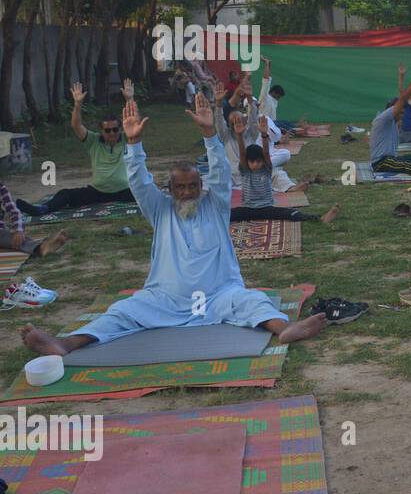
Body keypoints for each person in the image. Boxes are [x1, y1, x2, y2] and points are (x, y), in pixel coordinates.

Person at [19, 95, 327, 357]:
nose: (187, 192)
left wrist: (209, 134)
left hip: (218, 295)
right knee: (122, 311)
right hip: (164, 299)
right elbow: (138, 181)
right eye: (180, 188)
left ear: (200, 186)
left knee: (251, 300)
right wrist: (133, 142)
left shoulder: (215, 205)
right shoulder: (159, 209)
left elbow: (220, 172)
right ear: (169, 189)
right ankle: (65, 343)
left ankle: (286, 329)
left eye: (193, 186)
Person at [15, 81, 135, 218]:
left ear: (120, 129)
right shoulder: (93, 141)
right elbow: (76, 125)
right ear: (101, 131)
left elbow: (134, 122)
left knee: (147, 190)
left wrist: (129, 99)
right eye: (108, 130)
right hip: (98, 192)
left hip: (125, 191)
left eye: (115, 129)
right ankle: (42, 210)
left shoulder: (127, 139)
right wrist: (77, 104)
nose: (112, 133)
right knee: (65, 194)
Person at [232, 116, 339, 224]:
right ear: (247, 162)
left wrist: (264, 135)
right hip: (248, 209)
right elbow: (242, 153)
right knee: (227, 214)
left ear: (263, 161)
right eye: (252, 162)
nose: (255, 164)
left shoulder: (266, 169)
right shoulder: (245, 171)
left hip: (267, 208)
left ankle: (320, 218)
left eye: (258, 161)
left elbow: (265, 153)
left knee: (290, 213)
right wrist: (239, 135)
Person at [3, 181, 67, 258]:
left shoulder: (2, 190)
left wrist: (18, 230)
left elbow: (14, 212)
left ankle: (41, 248)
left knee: (16, 240)